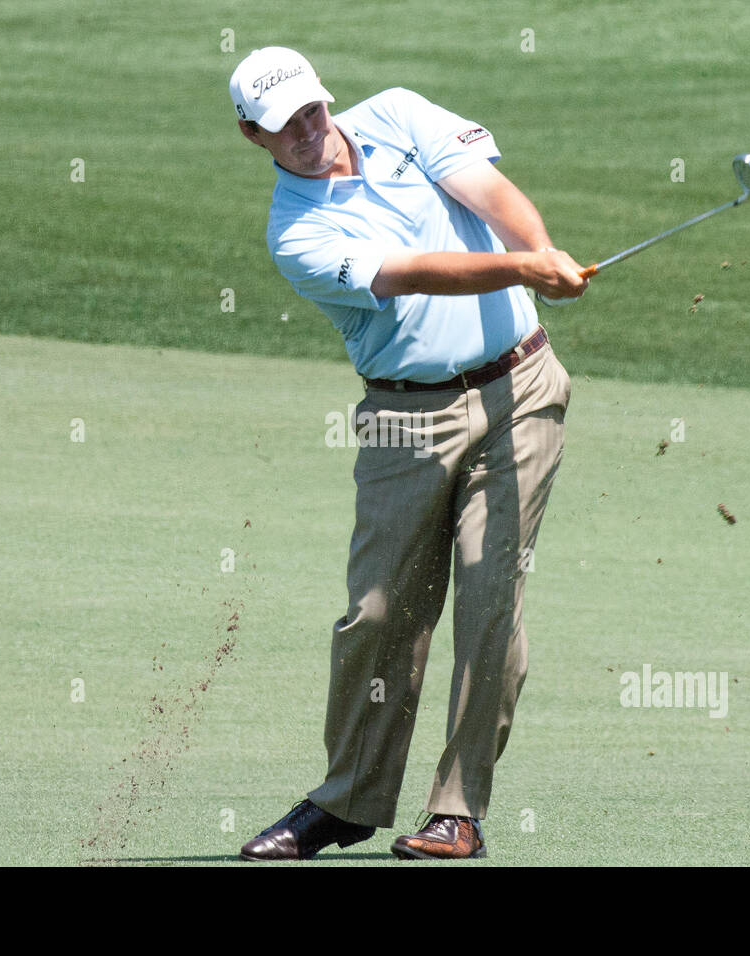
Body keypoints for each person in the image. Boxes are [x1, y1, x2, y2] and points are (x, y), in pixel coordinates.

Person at [229, 46, 587, 861]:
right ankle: (350, 800)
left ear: (325, 95)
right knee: (381, 613)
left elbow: (487, 193)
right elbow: (419, 273)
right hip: (404, 420)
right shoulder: (297, 233)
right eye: (285, 127)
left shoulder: (394, 112)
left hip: (520, 391)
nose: (309, 131)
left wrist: (540, 248)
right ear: (254, 135)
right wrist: (523, 265)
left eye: (313, 110)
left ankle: (457, 812)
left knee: (490, 597)